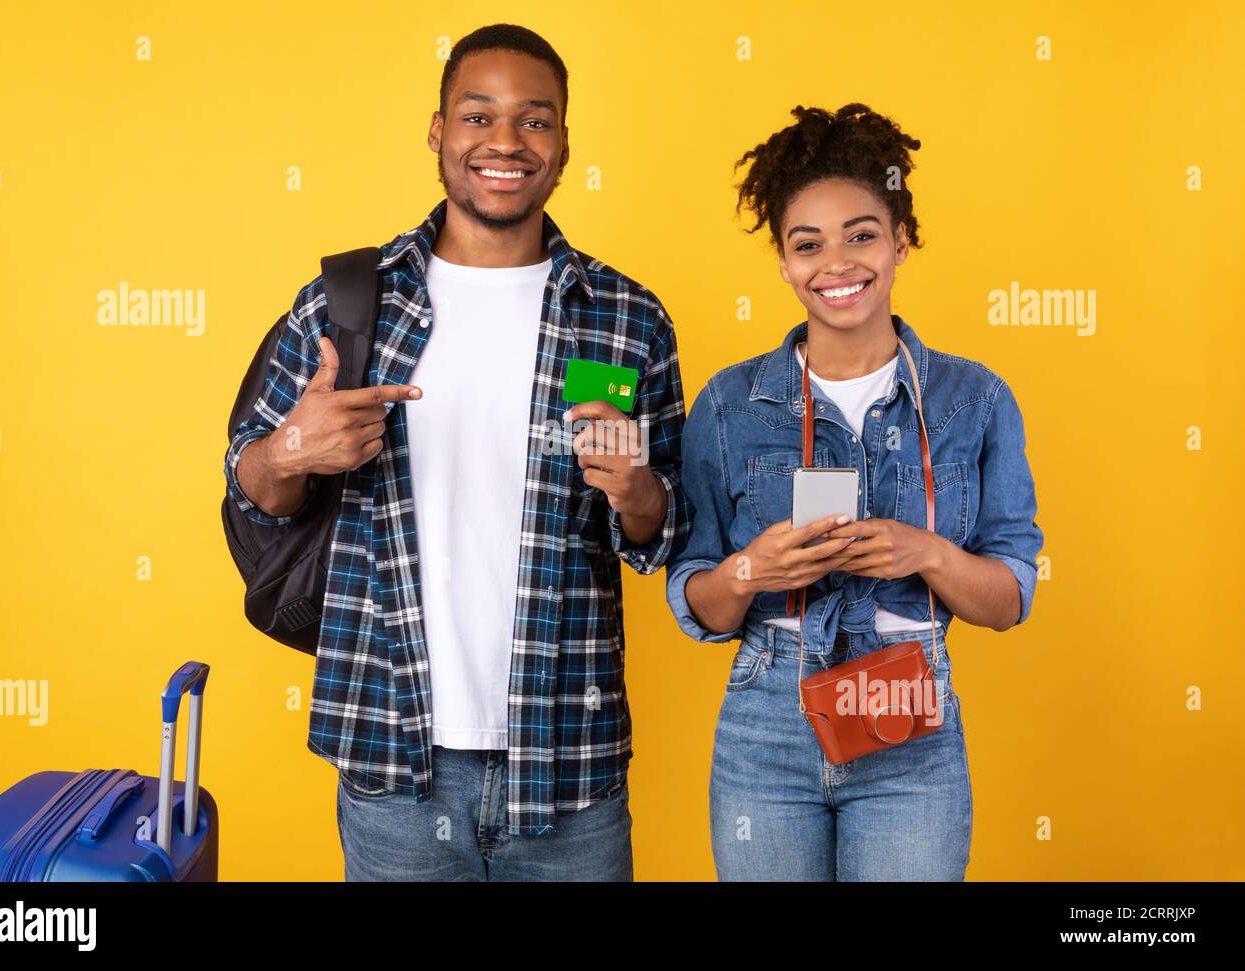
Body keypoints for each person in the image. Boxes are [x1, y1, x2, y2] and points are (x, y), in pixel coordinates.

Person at [223, 24, 690, 881]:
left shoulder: (625, 317)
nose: (506, 142)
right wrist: (294, 448)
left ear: (564, 145)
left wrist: (639, 493)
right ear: (438, 131)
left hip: (569, 768)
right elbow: (251, 488)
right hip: (391, 760)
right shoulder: (347, 301)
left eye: (534, 121)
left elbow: (665, 535)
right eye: (478, 116)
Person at [666, 103, 1044, 881]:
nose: (836, 263)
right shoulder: (728, 405)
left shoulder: (975, 400)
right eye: (808, 244)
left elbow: (1007, 599)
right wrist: (752, 570)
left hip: (909, 723)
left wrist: (929, 552)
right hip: (766, 729)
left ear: (901, 239)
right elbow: (696, 600)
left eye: (862, 235)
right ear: (782, 261)